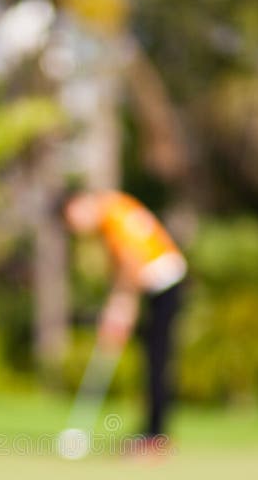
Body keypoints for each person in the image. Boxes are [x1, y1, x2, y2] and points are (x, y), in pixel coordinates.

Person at [63, 190, 187, 445]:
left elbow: (133, 261)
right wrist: (120, 303)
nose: (76, 227)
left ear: (81, 203)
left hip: (164, 285)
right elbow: (123, 265)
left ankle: (155, 437)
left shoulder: (113, 215)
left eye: (73, 219)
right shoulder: (112, 212)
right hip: (156, 286)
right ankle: (151, 431)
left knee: (157, 363)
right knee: (150, 362)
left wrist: (123, 306)